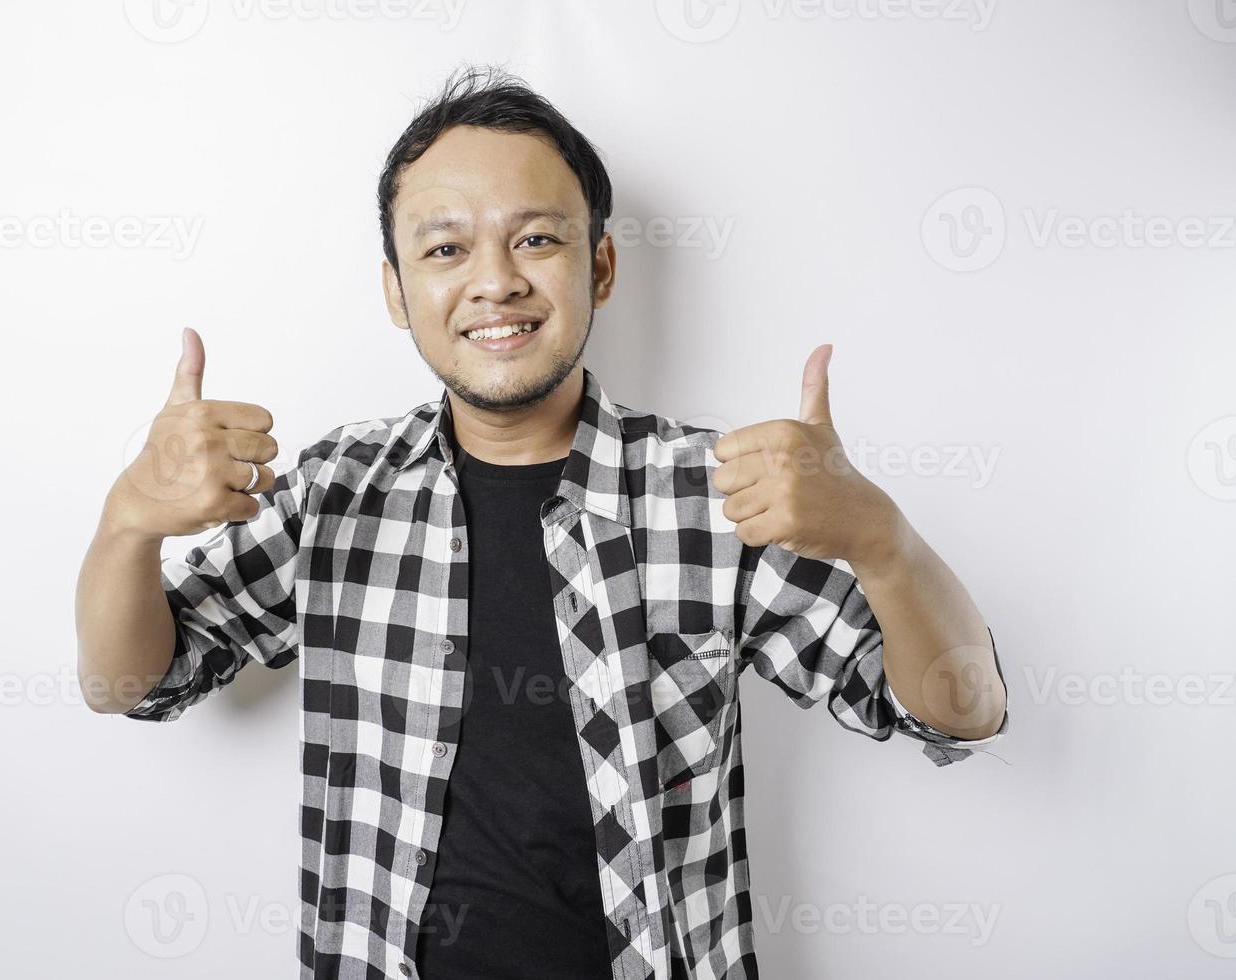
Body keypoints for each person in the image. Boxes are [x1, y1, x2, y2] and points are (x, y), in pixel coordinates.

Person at [75, 65, 1009, 980]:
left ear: (599, 265)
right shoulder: (334, 489)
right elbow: (132, 683)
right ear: (397, 292)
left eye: (537, 241)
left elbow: (964, 713)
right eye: (445, 250)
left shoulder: (719, 495)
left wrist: (882, 540)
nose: (495, 283)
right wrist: (129, 524)